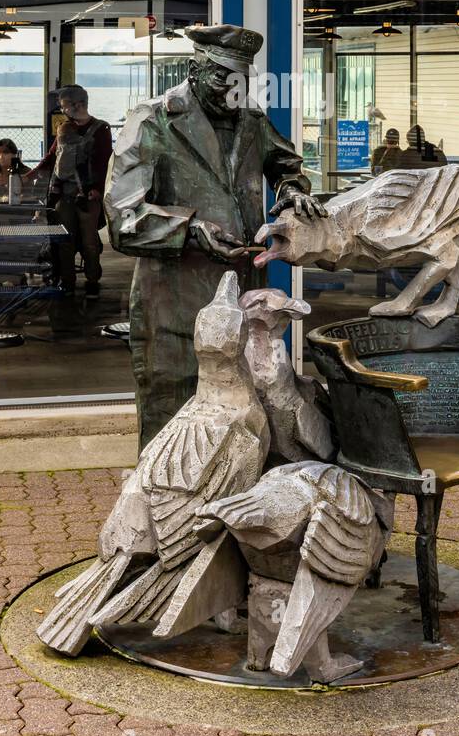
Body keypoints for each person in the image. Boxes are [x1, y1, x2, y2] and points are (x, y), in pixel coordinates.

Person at [105, 23, 325, 445]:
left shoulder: (252, 119)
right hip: (173, 302)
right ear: (193, 68)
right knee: (172, 421)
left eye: (241, 80)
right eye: (221, 76)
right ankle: (164, 506)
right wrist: (189, 229)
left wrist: (293, 192)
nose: (231, 89)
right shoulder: (152, 120)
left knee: (243, 415)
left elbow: (287, 166)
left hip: (244, 298)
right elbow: (122, 216)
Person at [24, 86, 112, 298]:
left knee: (89, 241)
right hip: (63, 194)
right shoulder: (64, 128)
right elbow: (52, 156)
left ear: (77, 105)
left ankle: (92, 279)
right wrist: (32, 174)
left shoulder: (101, 129)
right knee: (64, 240)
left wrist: (98, 190)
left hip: (88, 196)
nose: (62, 110)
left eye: (63, 106)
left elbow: (106, 162)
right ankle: (67, 281)